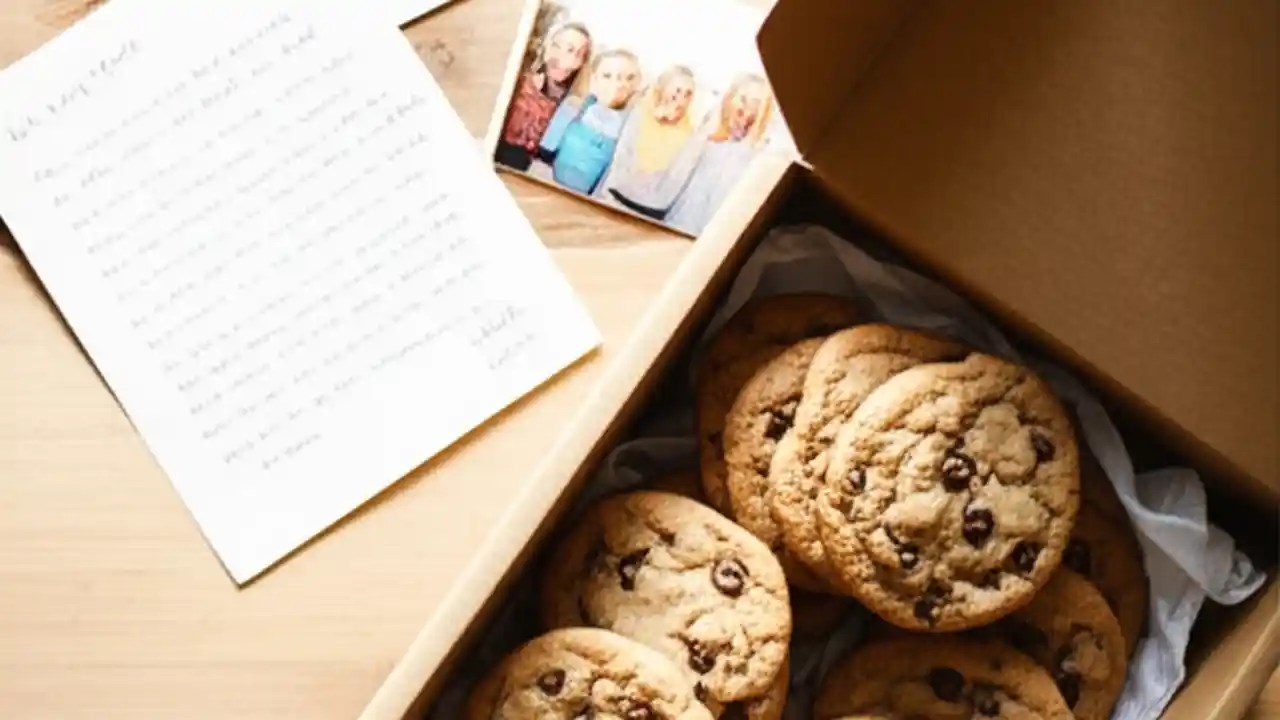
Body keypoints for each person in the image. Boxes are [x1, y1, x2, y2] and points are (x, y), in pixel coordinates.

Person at [662, 73, 776, 235]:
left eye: (757, 103)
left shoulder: (756, 150)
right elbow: (678, 171)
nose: (749, 107)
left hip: (713, 229)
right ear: (730, 98)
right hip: (682, 222)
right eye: (744, 99)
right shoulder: (708, 133)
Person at [593, 65, 698, 219]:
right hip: (614, 199)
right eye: (677, 91)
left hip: (649, 212)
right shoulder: (638, 112)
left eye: (688, 94)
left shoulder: (688, 135)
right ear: (662, 89)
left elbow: (672, 184)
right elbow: (621, 158)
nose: (681, 99)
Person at [495, 22, 592, 172]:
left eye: (575, 53)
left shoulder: (576, 111)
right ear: (546, 47)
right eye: (556, 46)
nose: (562, 57)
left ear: (582, 63)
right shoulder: (517, 82)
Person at [549, 49, 642, 195]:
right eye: (607, 76)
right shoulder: (573, 106)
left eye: (628, 78)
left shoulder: (632, 129)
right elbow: (543, 155)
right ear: (595, 78)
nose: (618, 84)